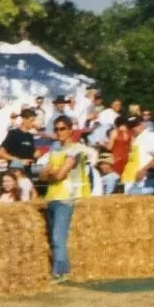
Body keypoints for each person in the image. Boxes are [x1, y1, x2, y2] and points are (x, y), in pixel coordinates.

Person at [38, 116, 94, 282]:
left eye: (62, 129)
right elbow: (42, 174)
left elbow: (61, 174)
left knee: (58, 236)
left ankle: (60, 271)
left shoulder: (76, 150)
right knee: (55, 236)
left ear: (70, 130)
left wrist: (52, 173)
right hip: (53, 197)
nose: (58, 132)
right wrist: (52, 173)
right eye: (56, 129)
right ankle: (61, 268)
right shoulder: (55, 151)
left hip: (66, 197)